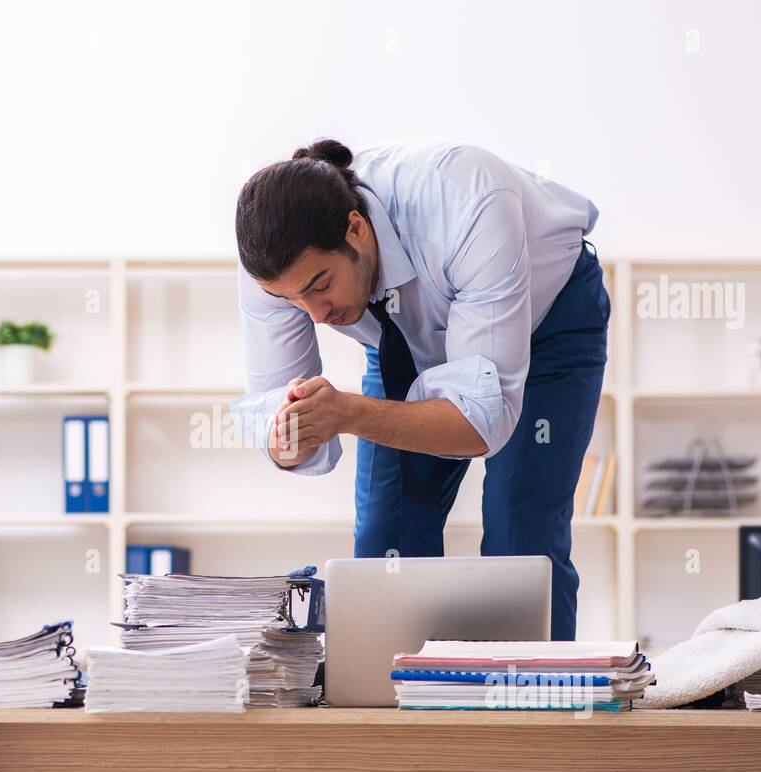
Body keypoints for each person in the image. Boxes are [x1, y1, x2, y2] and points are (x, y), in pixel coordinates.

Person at [231, 138, 609, 641]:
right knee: (385, 542)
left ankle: (527, 710)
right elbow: (273, 417)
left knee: (520, 535)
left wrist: (346, 414)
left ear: (356, 229)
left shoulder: (468, 198)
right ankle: (398, 710)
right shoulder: (277, 268)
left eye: (321, 286)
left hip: (550, 319)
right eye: (291, 299)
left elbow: (480, 425)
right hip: (404, 333)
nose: (314, 314)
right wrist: (290, 436)